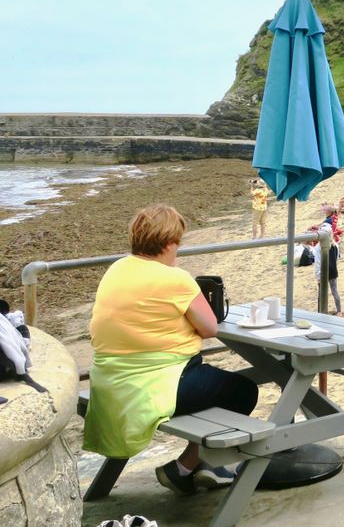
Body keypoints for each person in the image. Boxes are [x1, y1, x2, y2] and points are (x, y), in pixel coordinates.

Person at [83, 204, 258, 495]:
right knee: (243, 390)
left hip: (109, 383)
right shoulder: (175, 279)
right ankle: (185, 468)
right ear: (167, 244)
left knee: (211, 381)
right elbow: (210, 327)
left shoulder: (117, 268)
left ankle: (205, 467)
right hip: (150, 389)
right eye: (178, 243)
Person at [310, 223, 342, 315]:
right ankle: (339, 311)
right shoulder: (335, 245)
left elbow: (318, 262)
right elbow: (337, 258)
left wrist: (318, 276)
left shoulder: (318, 247)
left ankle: (321, 311)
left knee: (321, 293)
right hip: (333, 271)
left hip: (324, 272)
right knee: (334, 291)